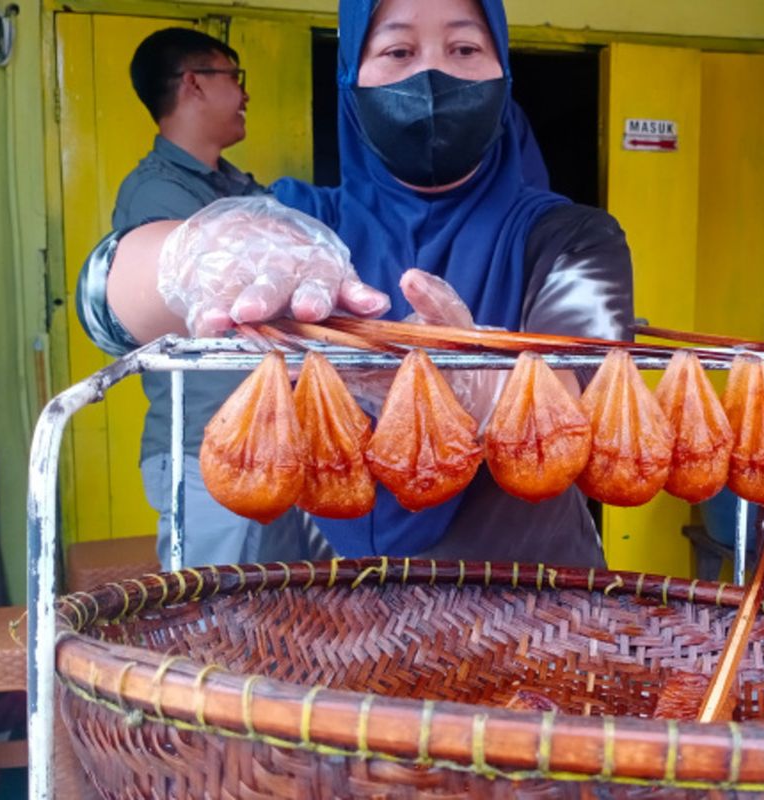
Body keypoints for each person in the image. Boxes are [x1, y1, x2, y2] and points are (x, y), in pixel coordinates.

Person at [77, 0, 633, 568]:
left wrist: (476, 385)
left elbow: (586, 407)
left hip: (528, 602)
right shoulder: (299, 224)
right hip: (324, 613)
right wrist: (191, 255)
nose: (431, 77)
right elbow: (108, 305)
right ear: (351, 78)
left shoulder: (572, 238)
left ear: (503, 74)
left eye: (465, 49)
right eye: (397, 51)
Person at [78, 27, 333, 568]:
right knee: (215, 622)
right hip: (211, 450)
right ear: (193, 84)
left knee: (281, 616)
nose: (244, 95)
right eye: (234, 78)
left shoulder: (240, 187)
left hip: (274, 443)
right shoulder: (156, 193)